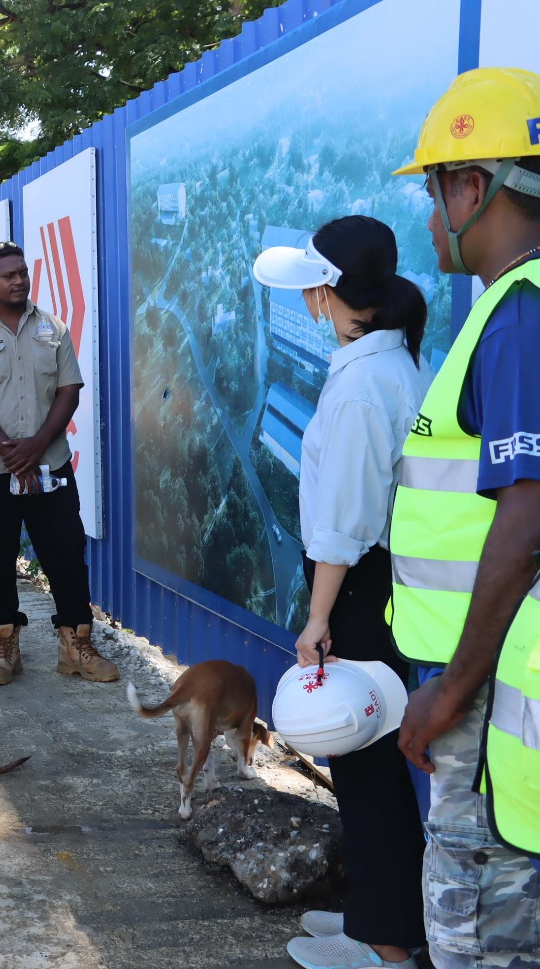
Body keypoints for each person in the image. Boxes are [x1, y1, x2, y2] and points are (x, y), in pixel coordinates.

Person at [388, 67, 540, 969]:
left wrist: (448, 691)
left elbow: (524, 523)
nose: (430, 215)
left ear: (469, 187)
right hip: (497, 674)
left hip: (485, 686)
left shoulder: (518, 315)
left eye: (434, 188)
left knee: (478, 935)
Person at [253, 217, 432, 969]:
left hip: (359, 586)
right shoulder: (378, 363)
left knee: (363, 763)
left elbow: (345, 523)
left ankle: (387, 943)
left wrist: (317, 616)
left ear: (324, 292)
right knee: (369, 764)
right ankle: (377, 915)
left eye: (308, 285)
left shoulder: (363, 384)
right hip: (370, 581)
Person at [0, 242, 119, 686]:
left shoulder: (53, 327)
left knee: (66, 555)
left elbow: (69, 389)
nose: (18, 280)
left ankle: (76, 646)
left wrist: (37, 444)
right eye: (8, 275)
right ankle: (5, 647)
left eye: (22, 272)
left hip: (51, 465)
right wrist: (9, 449)